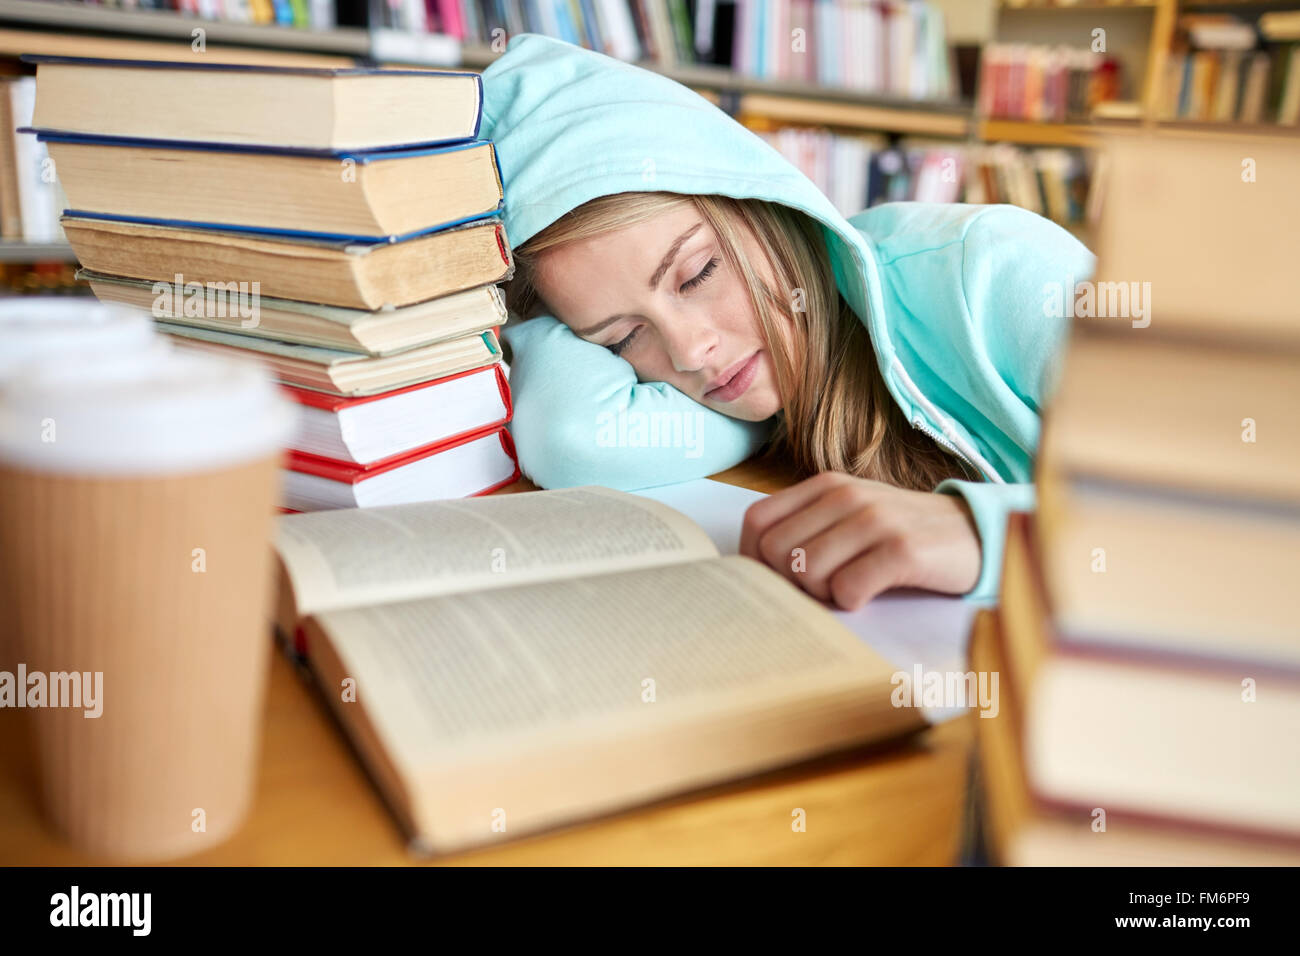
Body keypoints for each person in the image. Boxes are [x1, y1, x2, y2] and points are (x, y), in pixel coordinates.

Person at [479, 33, 1095, 607]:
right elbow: (570, 436)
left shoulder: (994, 267)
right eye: (623, 336)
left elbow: (1190, 524)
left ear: (763, 200)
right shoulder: (764, 387)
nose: (691, 353)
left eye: (697, 273)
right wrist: (509, 312)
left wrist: (988, 534)